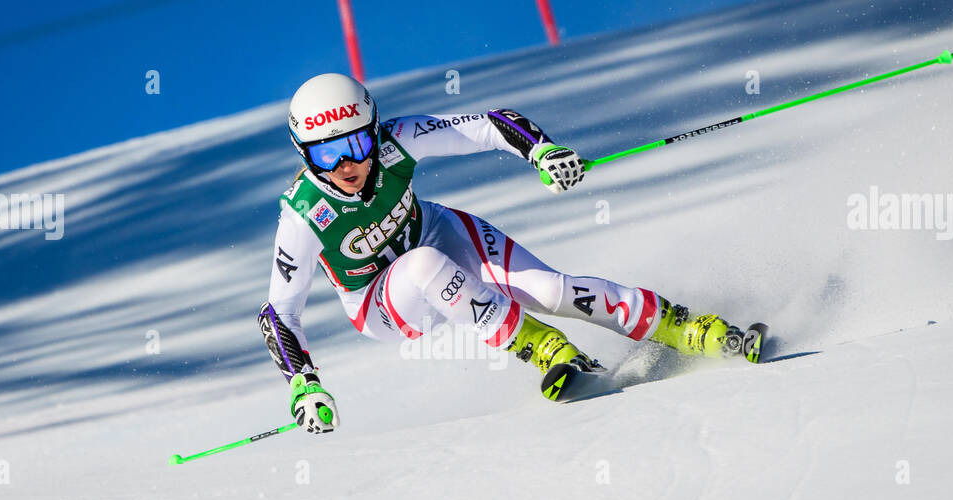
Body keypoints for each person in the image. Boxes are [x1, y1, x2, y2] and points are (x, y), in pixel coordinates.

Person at [258, 73, 761, 433]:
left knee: (550, 289)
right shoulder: (302, 215)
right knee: (421, 266)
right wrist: (304, 384)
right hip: (380, 304)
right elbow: (279, 312)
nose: (349, 163)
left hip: (434, 230)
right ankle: (543, 347)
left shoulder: (397, 142)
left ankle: (688, 328)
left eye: (357, 143)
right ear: (306, 155)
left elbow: (490, 123)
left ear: (375, 131)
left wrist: (542, 152)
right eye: (328, 153)